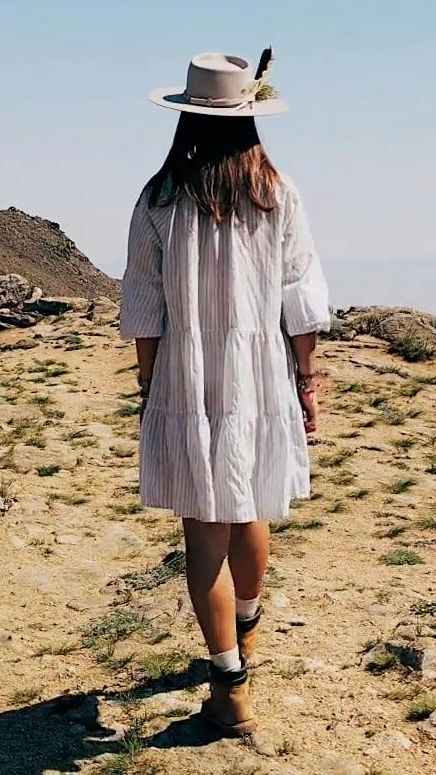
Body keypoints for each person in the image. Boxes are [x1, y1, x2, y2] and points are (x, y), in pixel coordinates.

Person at [121, 51, 330, 736]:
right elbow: (302, 296)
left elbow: (145, 306)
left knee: (203, 534)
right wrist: (307, 381)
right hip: (262, 372)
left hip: (189, 375)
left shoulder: (158, 198)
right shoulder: (279, 192)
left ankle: (228, 684)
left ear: (185, 119)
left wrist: (149, 385)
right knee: (252, 504)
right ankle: (247, 633)